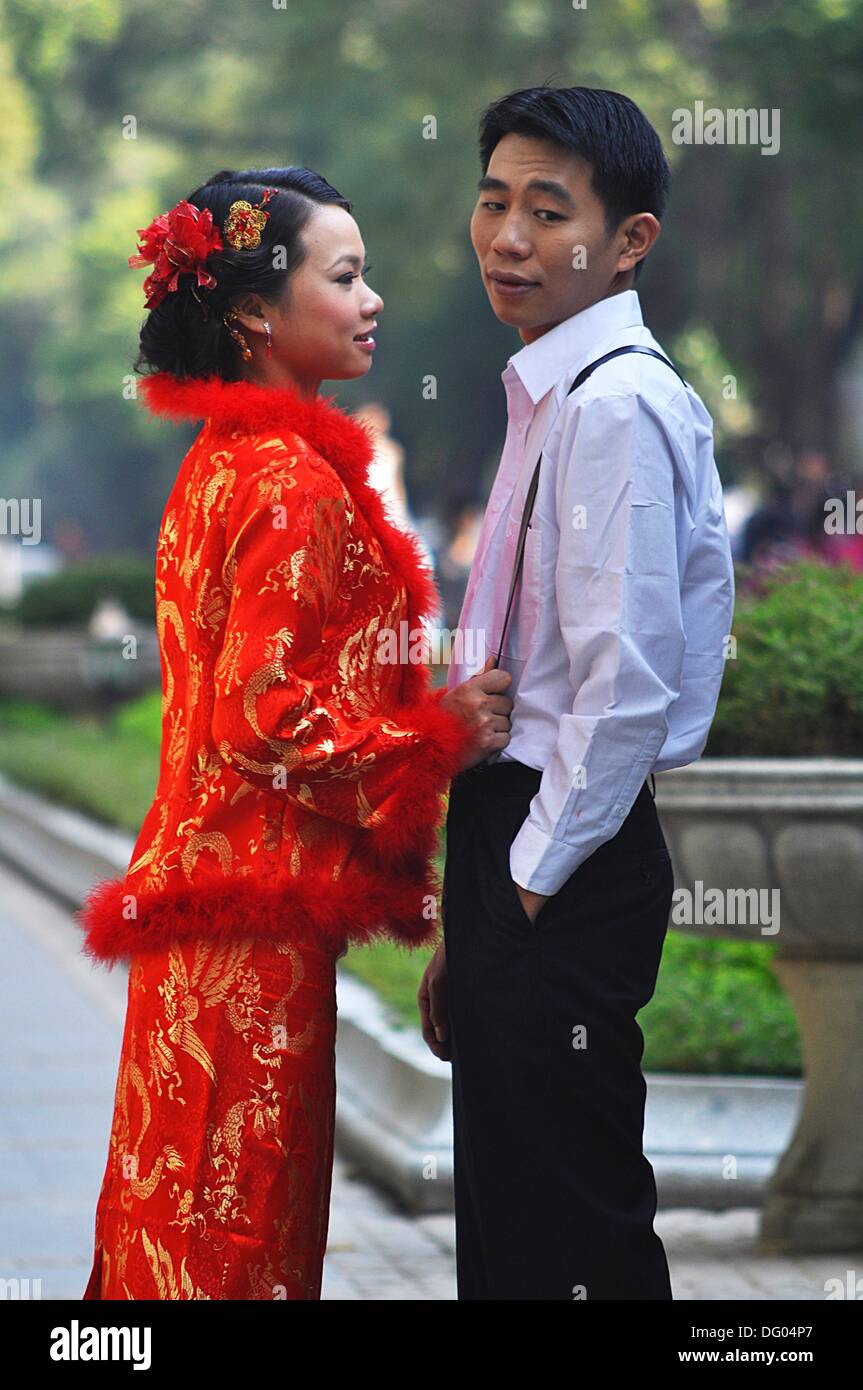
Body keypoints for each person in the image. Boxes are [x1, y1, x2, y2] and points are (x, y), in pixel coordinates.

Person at [79, 166, 513, 1300]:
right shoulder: (289, 480)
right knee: (239, 1247)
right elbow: (261, 717)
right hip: (249, 941)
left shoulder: (218, 465)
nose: (372, 301)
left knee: (165, 1231)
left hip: (201, 906)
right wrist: (432, 740)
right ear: (254, 314)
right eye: (346, 275)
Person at [418, 86, 735, 1300]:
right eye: (492, 200)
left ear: (628, 239)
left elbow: (624, 689)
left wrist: (524, 884)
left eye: (547, 211)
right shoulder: (555, 393)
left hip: (564, 848)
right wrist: (473, 910)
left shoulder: (610, 405)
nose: (506, 236)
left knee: (568, 1237)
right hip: (524, 834)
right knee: (515, 1215)